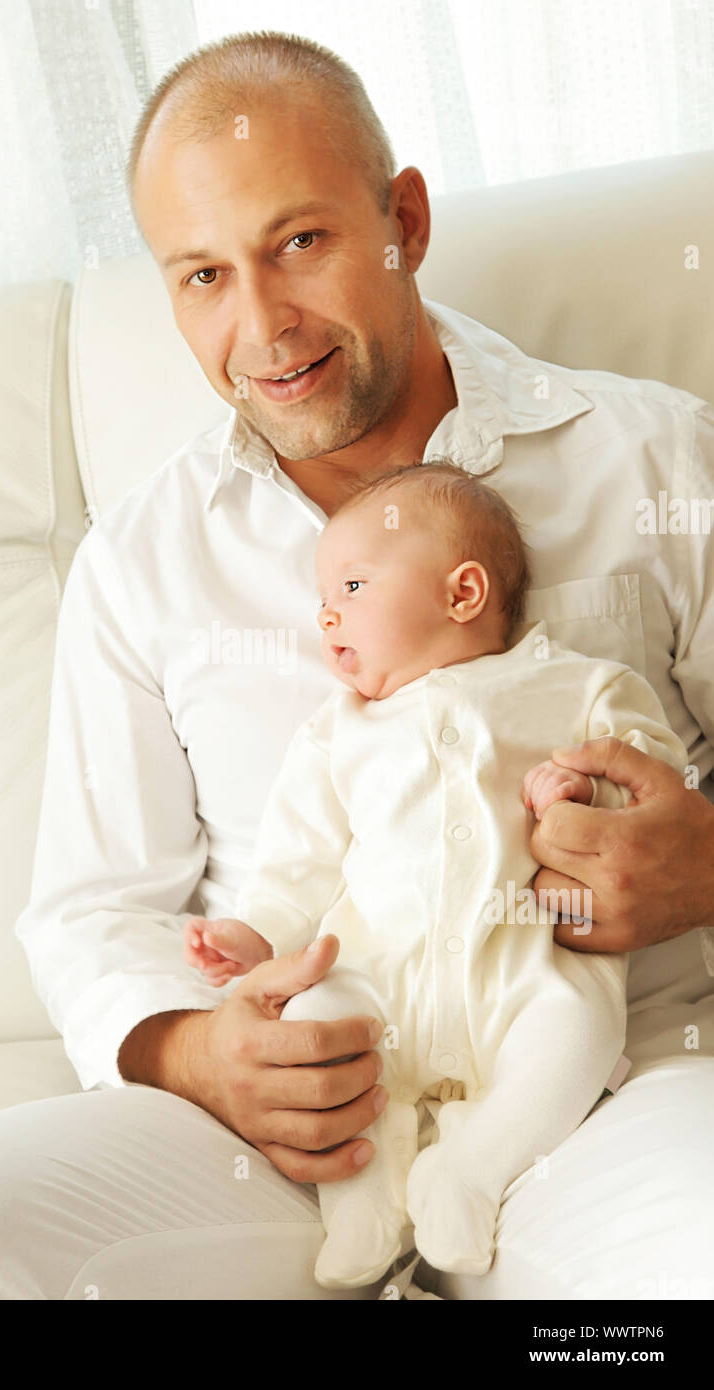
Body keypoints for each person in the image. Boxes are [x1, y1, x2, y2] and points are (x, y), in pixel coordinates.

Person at [0, 30, 714, 1303]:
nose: (262, 325)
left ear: (403, 219)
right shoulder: (141, 565)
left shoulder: (653, 455)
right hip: (294, 1127)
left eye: (300, 244)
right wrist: (192, 1051)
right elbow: (92, 912)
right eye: (202, 275)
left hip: (607, 1084)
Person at [183, 458, 689, 1290]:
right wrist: (253, 935)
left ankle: (473, 1170)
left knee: (578, 1034)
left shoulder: (580, 686)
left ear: (462, 594)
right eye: (321, 599)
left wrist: (587, 791)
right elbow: (297, 861)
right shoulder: (338, 730)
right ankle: (365, 1193)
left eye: (351, 586)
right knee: (323, 1014)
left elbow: (655, 786)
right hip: (378, 977)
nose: (325, 615)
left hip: (522, 972)